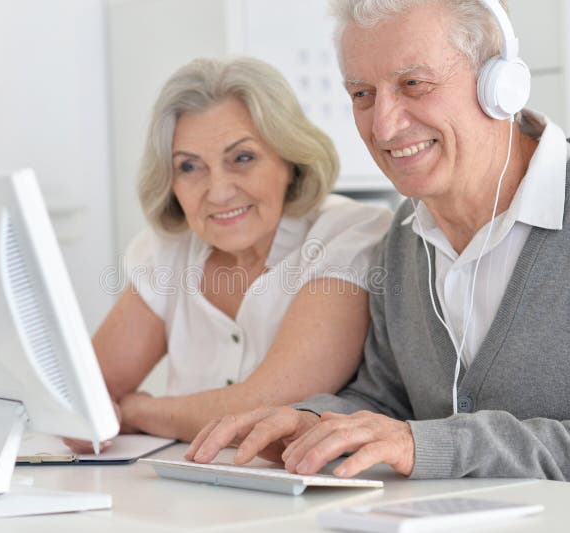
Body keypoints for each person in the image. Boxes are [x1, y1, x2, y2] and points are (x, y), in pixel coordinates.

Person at [186, 0, 570, 490]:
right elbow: (386, 402)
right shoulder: (407, 232)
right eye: (362, 94)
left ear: (499, 84)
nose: (383, 127)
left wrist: (431, 445)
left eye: (414, 85)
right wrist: (311, 424)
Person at [66, 56, 392, 451]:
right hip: (181, 497)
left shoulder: (348, 235)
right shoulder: (167, 253)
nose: (218, 191)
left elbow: (264, 408)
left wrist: (139, 412)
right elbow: (78, 398)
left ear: (290, 159)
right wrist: (91, 417)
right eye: (189, 167)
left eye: (242, 158)